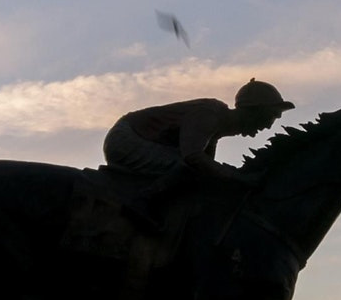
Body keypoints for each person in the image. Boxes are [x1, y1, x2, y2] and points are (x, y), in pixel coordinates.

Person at [103, 79, 294, 229]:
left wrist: (230, 178)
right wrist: (237, 177)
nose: (269, 125)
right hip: (126, 139)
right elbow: (192, 157)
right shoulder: (209, 114)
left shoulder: (215, 131)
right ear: (254, 111)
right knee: (190, 168)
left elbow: (208, 168)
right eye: (271, 117)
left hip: (144, 140)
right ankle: (142, 201)